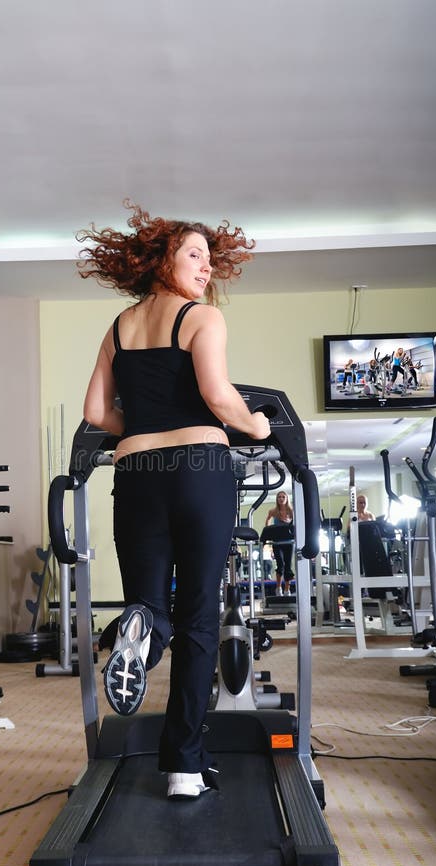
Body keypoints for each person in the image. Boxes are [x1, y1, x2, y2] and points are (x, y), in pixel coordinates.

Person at [80, 201, 270, 800]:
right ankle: (184, 766)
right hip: (198, 466)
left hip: (134, 470)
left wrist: (138, 423)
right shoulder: (201, 319)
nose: (206, 267)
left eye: (210, 259)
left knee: (150, 601)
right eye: (194, 254)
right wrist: (258, 426)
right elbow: (217, 396)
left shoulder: (119, 326)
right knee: (198, 617)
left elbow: (94, 414)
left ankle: (139, 625)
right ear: (161, 259)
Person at [264, 490, 294, 596]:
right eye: (279, 497)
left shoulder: (291, 511)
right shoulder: (273, 511)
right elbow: (267, 521)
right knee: (280, 565)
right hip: (277, 543)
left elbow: (295, 524)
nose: (281, 499)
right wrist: (269, 531)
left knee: (288, 566)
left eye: (283, 497)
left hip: (289, 542)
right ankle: (278, 588)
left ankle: (287, 589)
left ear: (286, 499)